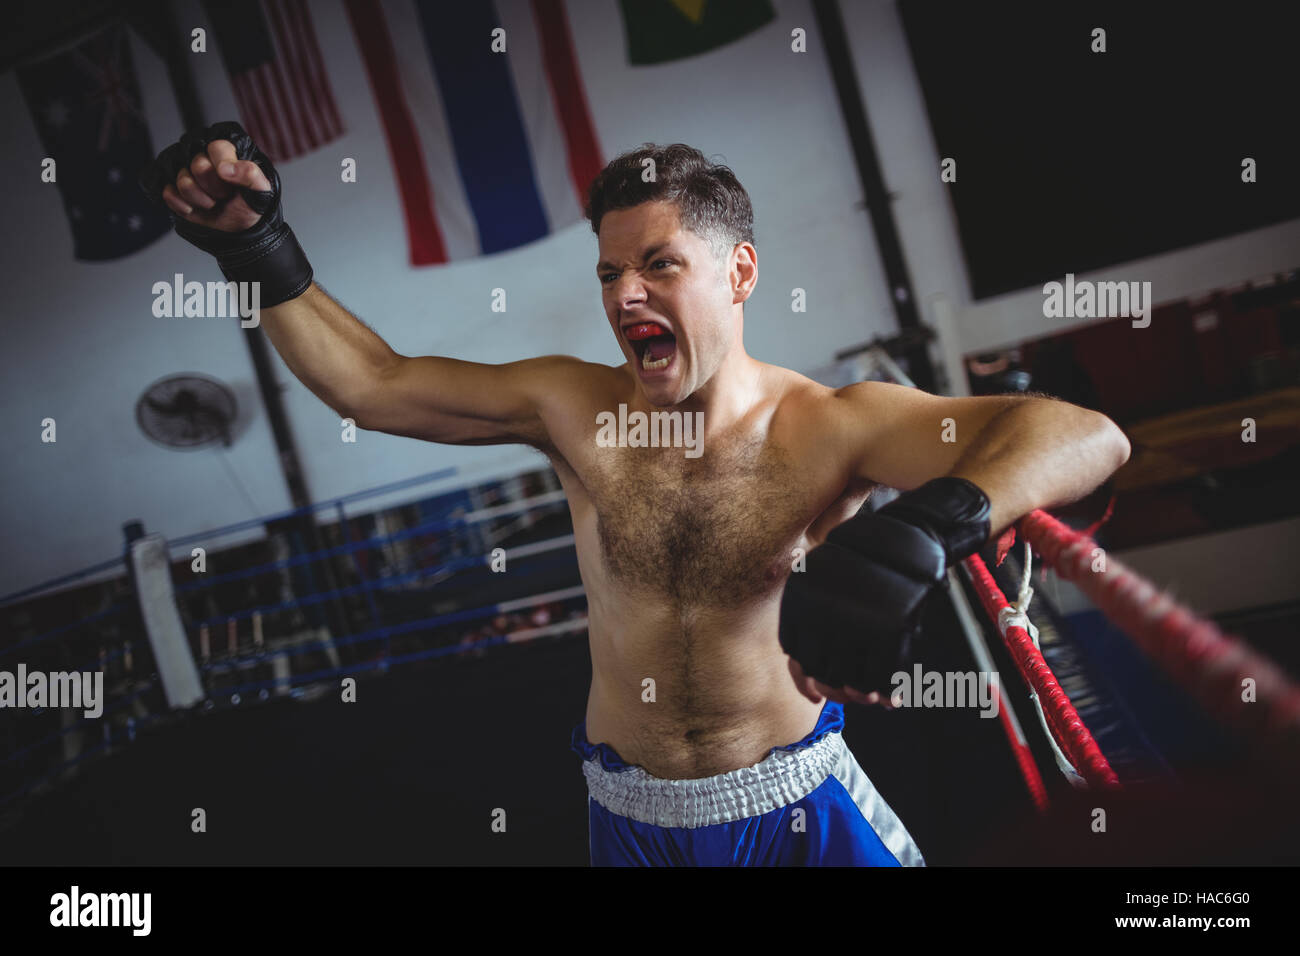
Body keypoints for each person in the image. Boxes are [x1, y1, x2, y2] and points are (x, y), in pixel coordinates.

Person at [140, 124, 1130, 865]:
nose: (623, 295)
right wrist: (254, 244)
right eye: (611, 271)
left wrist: (929, 524)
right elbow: (374, 383)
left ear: (738, 272)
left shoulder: (832, 422)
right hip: (630, 818)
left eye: (660, 264)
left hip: (796, 809)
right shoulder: (572, 405)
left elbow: (1083, 433)